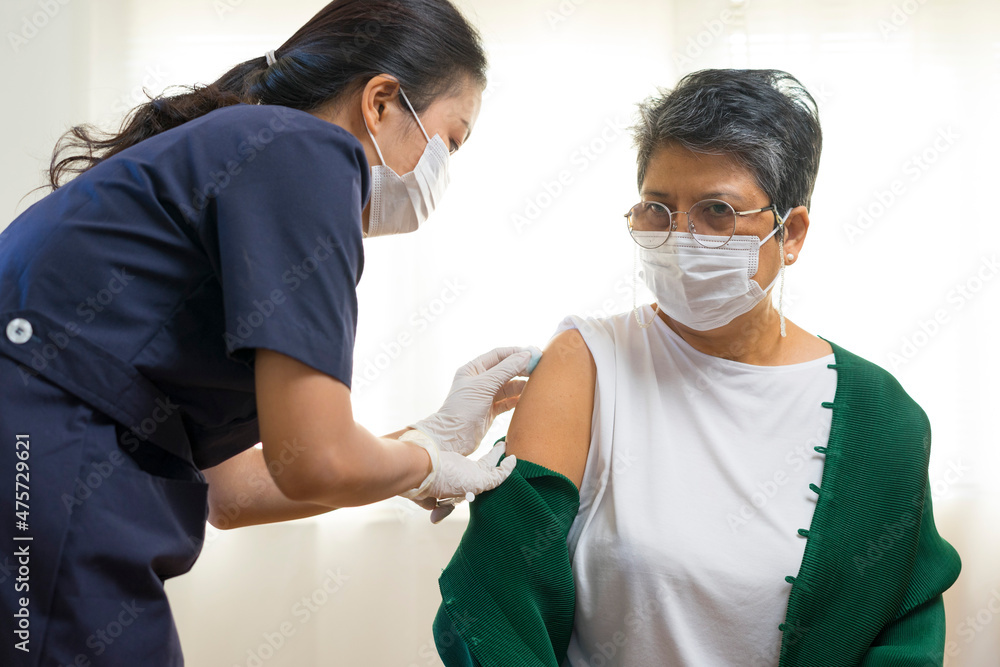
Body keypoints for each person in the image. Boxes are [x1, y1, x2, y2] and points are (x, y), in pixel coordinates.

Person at [0, 1, 533, 665]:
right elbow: (315, 458)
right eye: (451, 141)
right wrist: (428, 461)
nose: (443, 171)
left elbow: (231, 492)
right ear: (381, 102)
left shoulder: (248, 154)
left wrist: (423, 442)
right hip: (44, 483)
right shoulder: (304, 153)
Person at [433, 69, 961, 666]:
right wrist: (416, 456)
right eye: (657, 209)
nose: (681, 237)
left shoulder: (880, 416)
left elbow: (901, 630)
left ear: (791, 233)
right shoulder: (589, 362)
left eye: (717, 210)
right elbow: (500, 597)